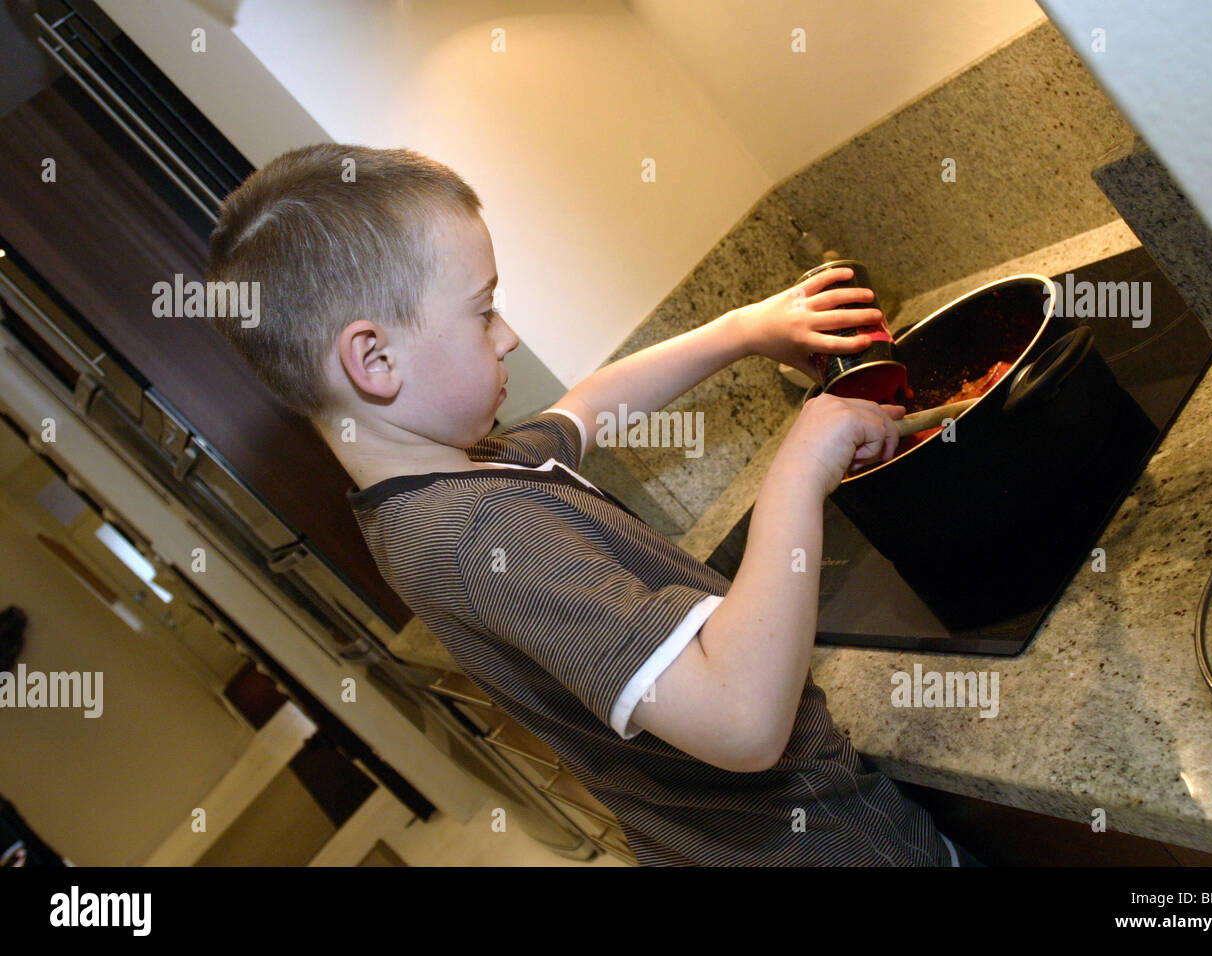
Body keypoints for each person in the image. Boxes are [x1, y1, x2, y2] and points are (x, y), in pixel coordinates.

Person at [204, 143, 981, 867]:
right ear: (374, 359)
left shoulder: (435, 490)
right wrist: (799, 469)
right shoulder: (484, 532)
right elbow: (742, 722)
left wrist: (742, 330)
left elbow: (590, 408)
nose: (506, 337)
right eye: (482, 311)